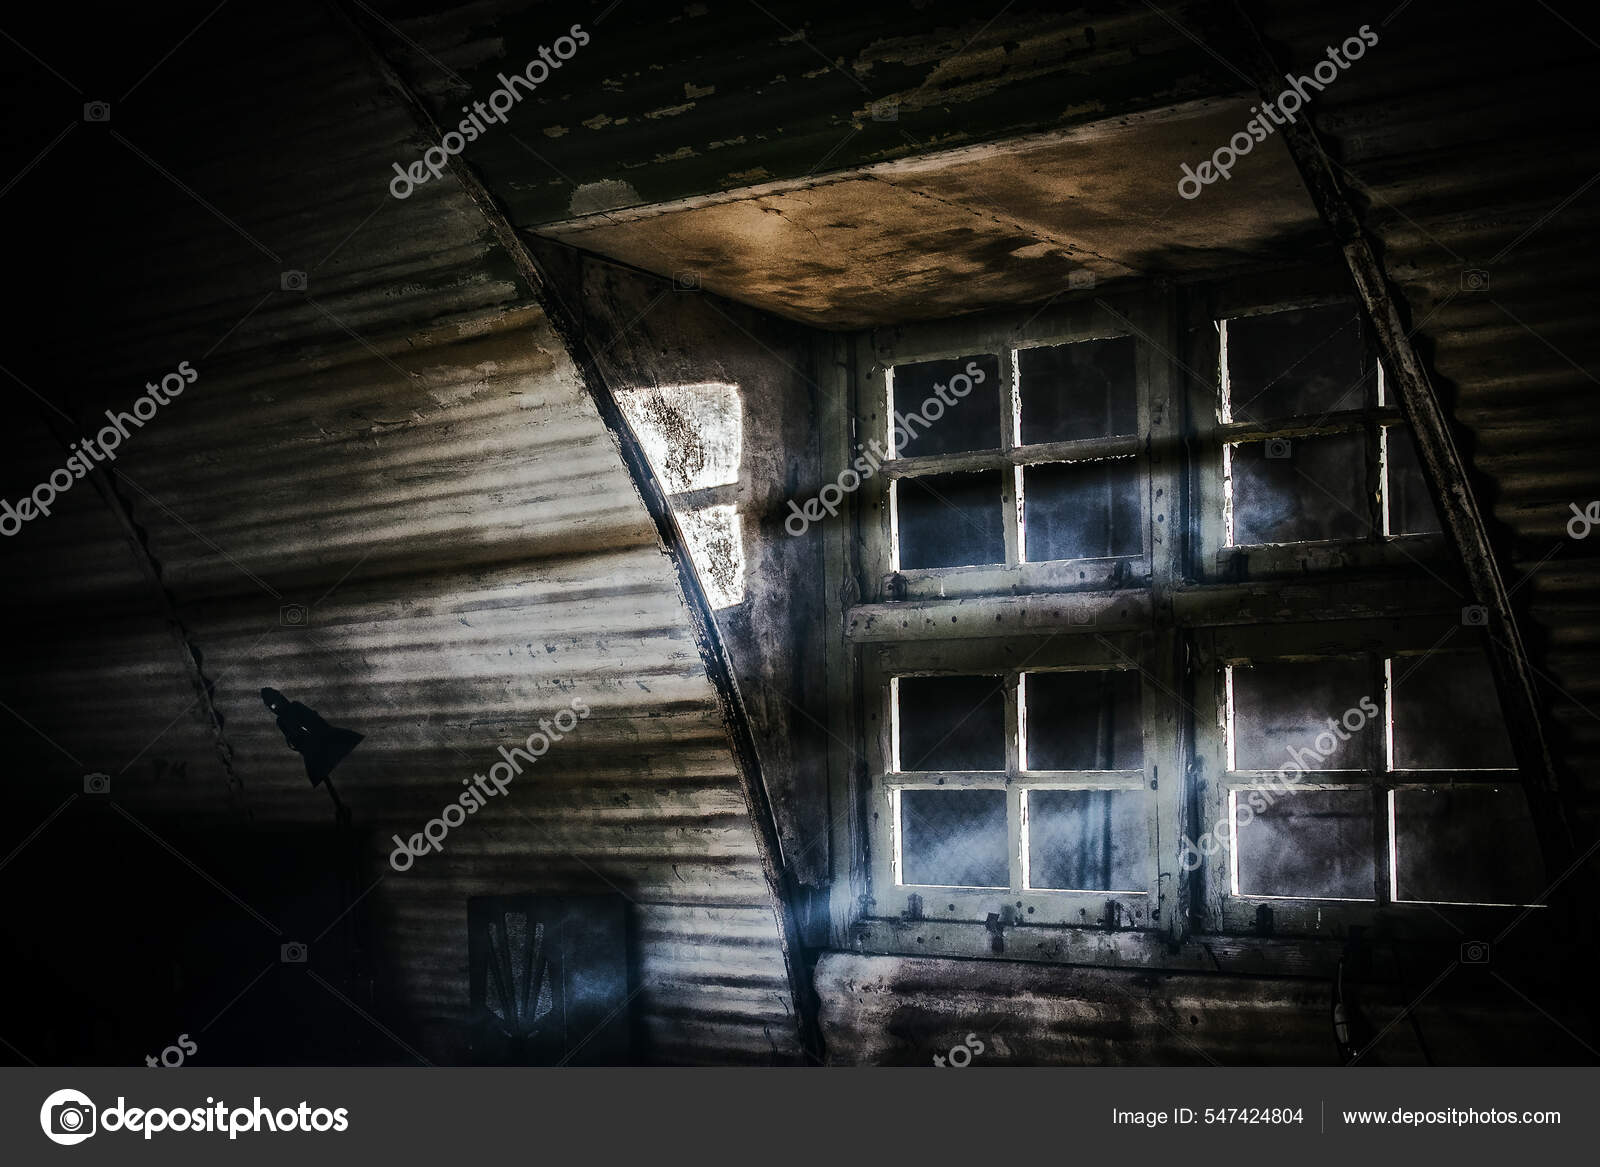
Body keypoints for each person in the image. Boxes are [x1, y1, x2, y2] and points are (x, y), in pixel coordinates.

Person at [259, 687, 363, 786]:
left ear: (281, 697)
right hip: (309, 748)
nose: (277, 705)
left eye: (277, 700)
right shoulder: (281, 721)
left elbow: (316, 721)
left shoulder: (295, 706)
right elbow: (293, 739)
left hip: (323, 735)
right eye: (272, 705)